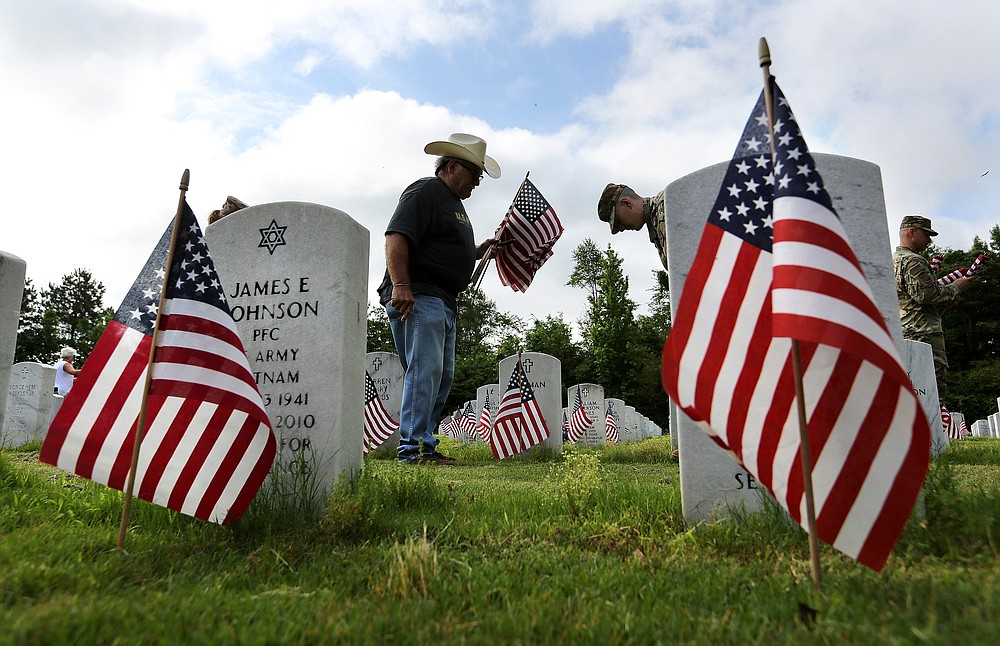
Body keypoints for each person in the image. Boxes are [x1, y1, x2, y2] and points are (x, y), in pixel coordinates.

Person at [378, 133, 501, 465]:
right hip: (419, 296)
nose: (477, 182)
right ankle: (413, 450)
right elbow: (396, 237)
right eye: (474, 174)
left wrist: (476, 252)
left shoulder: (453, 205)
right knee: (424, 372)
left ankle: (424, 446)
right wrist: (401, 285)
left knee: (440, 377)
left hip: (444, 301)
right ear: (452, 166)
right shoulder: (426, 191)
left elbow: (442, 248)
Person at [893, 214, 976, 404]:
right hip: (924, 334)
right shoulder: (913, 261)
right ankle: (932, 433)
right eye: (926, 234)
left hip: (905, 332)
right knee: (932, 394)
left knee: (913, 391)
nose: (929, 241)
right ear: (911, 232)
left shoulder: (894, 260)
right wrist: (957, 287)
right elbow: (926, 295)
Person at [597, 183, 667, 271]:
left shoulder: (665, 205)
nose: (621, 229)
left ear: (626, 203)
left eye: (618, 221)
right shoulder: (654, 222)